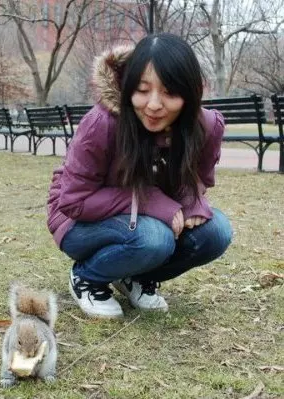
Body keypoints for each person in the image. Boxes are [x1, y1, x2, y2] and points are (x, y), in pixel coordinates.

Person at [47, 33, 232, 318]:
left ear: (190, 93)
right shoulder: (103, 123)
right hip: (79, 221)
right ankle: (87, 277)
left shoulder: (205, 126)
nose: (154, 105)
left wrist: (191, 199)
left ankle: (135, 276)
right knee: (154, 238)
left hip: (146, 220)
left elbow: (198, 177)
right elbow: (73, 202)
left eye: (169, 92)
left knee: (216, 231)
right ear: (128, 86)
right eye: (143, 90)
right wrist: (149, 201)